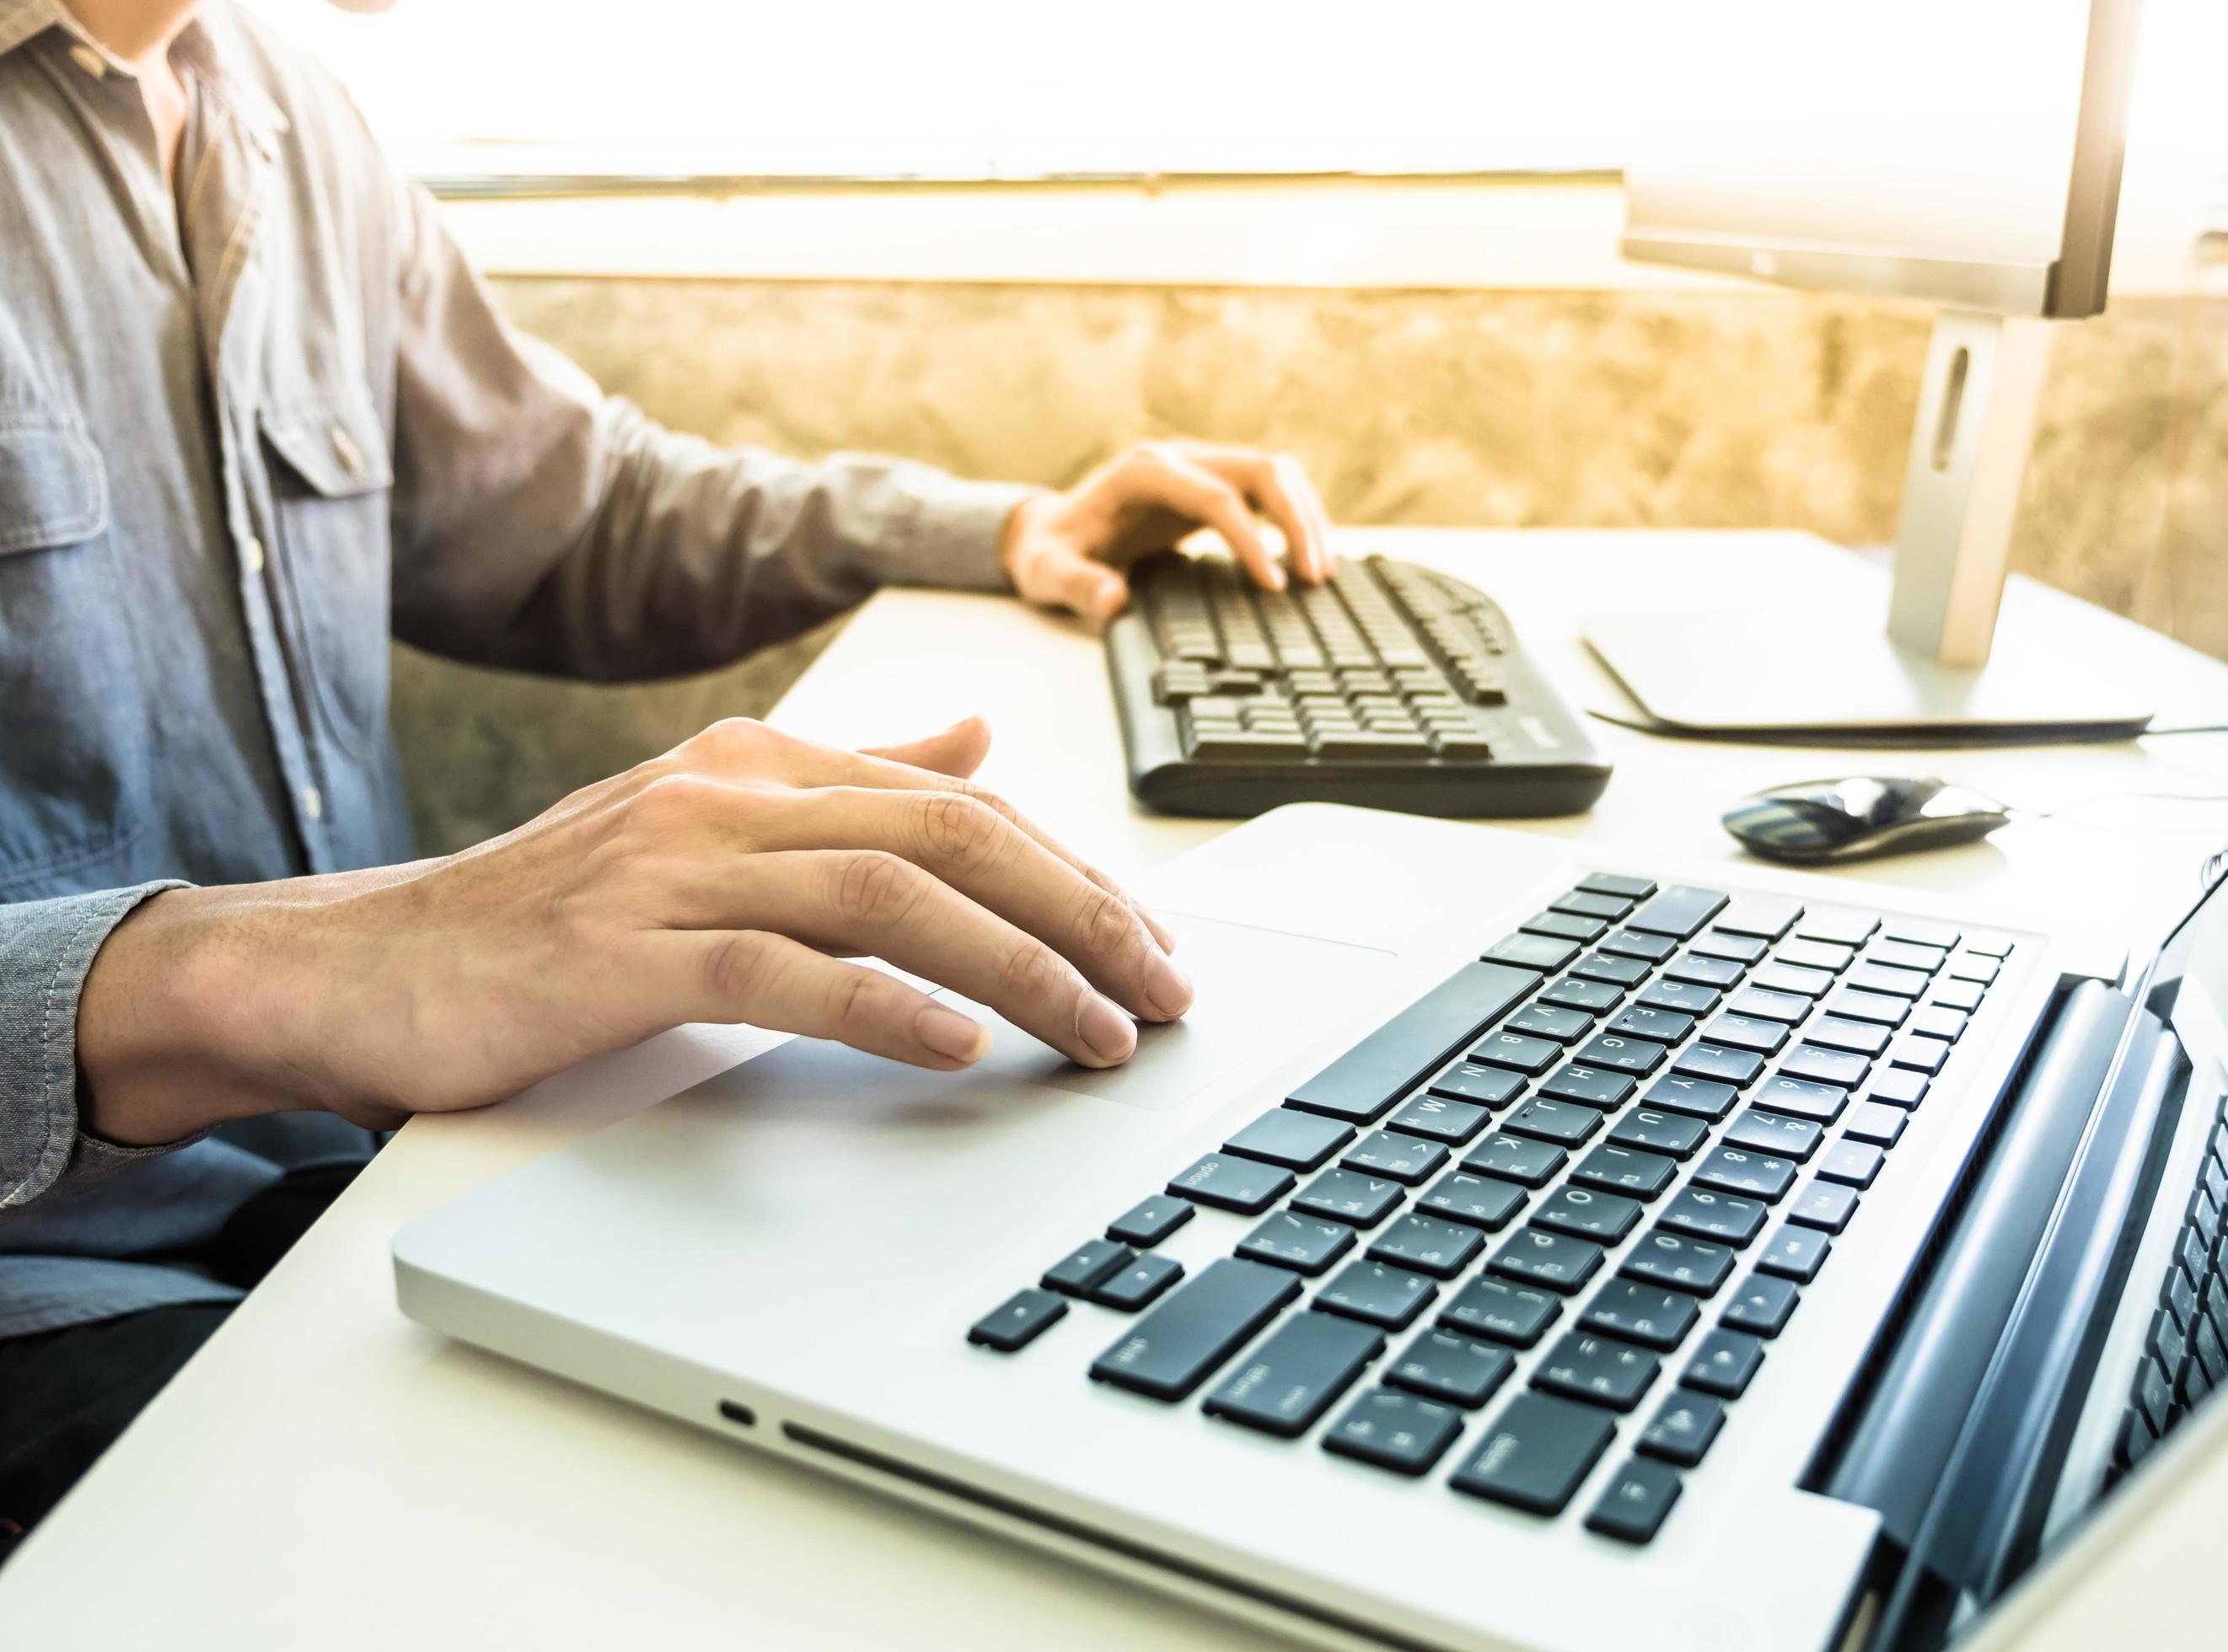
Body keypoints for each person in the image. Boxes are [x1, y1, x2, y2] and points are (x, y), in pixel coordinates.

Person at [0, 0, 1334, 1558]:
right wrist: (262, 980)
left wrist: (995, 531)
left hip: (363, 1173)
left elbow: (574, 516)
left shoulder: (275, 102)